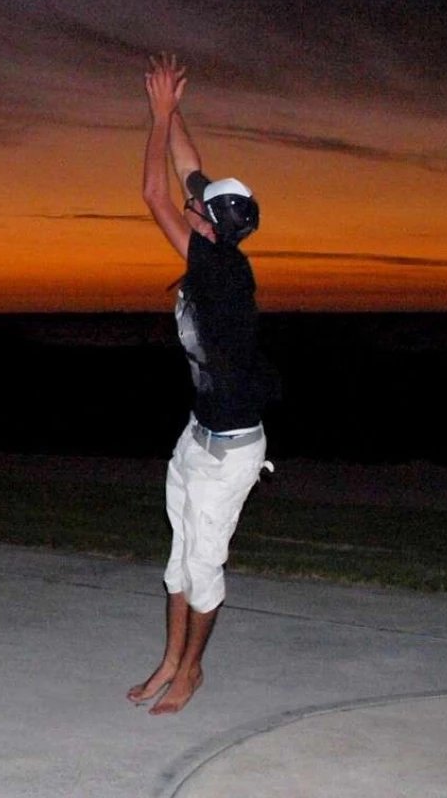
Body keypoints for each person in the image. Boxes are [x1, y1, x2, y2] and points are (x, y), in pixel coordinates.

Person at [128, 52, 275, 715]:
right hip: (199, 435)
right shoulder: (217, 240)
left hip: (232, 451)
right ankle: (169, 660)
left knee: (203, 565)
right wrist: (172, 107)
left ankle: (191, 672)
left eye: (199, 207)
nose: (190, 203)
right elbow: (188, 170)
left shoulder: (215, 271)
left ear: (211, 227)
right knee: (179, 558)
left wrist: (157, 118)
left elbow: (155, 194)